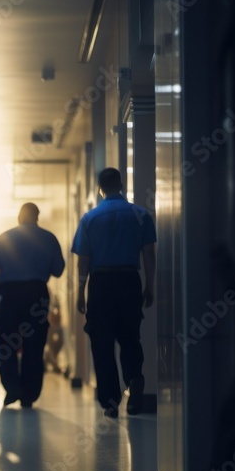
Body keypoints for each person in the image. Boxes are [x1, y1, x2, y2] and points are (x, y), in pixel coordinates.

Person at [71, 167, 156, 418]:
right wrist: (150, 285)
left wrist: (79, 291)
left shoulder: (90, 218)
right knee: (130, 336)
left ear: (100, 188)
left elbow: (83, 261)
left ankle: (110, 401)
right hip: (130, 280)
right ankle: (134, 379)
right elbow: (149, 256)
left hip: (101, 283)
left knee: (102, 341)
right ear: (121, 184)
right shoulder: (141, 215)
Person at [0, 203, 65, 408]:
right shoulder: (49, 238)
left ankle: (12, 388)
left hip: (10, 294)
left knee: (5, 342)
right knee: (34, 344)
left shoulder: (5, 237)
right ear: (37, 217)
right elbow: (58, 271)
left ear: (19, 217)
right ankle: (29, 395)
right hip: (37, 294)